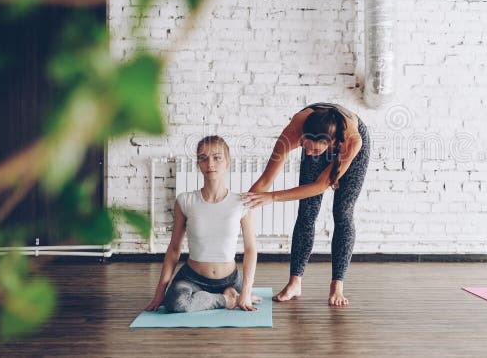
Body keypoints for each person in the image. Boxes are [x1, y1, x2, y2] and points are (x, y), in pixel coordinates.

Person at [242, 102, 370, 306]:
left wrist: (273, 197)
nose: (309, 154)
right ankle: (295, 283)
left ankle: (337, 286)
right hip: (319, 136)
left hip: (351, 148)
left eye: (314, 150)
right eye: (304, 147)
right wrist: (243, 205)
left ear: (331, 143)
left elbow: (320, 186)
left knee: (343, 212)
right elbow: (265, 181)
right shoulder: (293, 133)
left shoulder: (353, 141)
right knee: (307, 212)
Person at [145, 135, 262, 313]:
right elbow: (174, 248)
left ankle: (232, 293)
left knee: (241, 294)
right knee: (176, 303)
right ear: (198, 163)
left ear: (228, 161)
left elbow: (251, 249)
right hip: (193, 279)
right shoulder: (185, 201)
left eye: (217, 158)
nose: (210, 164)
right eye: (203, 158)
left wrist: (245, 291)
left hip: (230, 279)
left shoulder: (242, 202)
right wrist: (160, 292)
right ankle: (227, 298)